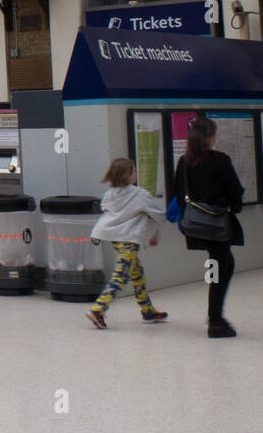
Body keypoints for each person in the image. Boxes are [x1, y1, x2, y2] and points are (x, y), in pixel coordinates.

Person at [174, 117, 245, 338]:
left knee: (221, 265)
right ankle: (215, 320)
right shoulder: (220, 160)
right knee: (218, 269)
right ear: (210, 137)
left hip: (196, 225)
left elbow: (178, 193)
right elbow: (235, 191)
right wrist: (234, 207)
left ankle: (215, 315)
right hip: (217, 226)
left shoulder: (184, 162)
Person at [85, 158, 169, 330]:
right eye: (134, 171)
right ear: (129, 175)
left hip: (113, 238)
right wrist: (156, 235)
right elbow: (158, 216)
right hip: (129, 240)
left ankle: (148, 311)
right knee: (121, 275)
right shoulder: (140, 194)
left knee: (137, 274)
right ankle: (98, 309)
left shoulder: (110, 193)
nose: (136, 174)